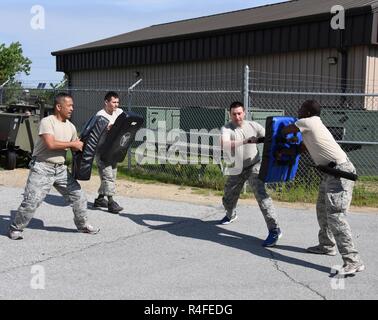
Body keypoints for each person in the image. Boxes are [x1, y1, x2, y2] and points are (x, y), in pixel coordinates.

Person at [280, 100, 365, 276]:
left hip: (340, 172)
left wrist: (277, 137)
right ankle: (326, 245)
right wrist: (289, 151)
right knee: (322, 208)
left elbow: (284, 130)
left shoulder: (307, 122)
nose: (298, 109)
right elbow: (303, 148)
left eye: (301, 107)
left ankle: (353, 260)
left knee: (336, 216)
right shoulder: (312, 126)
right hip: (330, 173)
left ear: (308, 111)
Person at [8, 93, 100, 240]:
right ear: (59, 106)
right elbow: (51, 144)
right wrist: (73, 144)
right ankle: (16, 228)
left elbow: (75, 148)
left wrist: (89, 141)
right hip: (42, 167)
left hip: (61, 169)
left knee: (79, 196)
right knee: (32, 200)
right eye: (69, 106)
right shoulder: (47, 122)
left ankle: (83, 225)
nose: (72, 109)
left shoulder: (71, 126)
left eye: (73, 106)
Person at [220, 101, 282, 247]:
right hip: (237, 168)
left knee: (262, 196)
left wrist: (259, 140)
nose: (237, 117)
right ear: (230, 114)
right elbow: (225, 144)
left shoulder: (253, 126)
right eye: (234, 114)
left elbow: (270, 138)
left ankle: (274, 229)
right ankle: (231, 214)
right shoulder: (227, 128)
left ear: (244, 113)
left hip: (254, 166)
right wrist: (246, 141)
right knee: (228, 196)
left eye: (239, 113)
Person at [93, 91, 124, 214]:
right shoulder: (100, 115)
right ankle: (111, 202)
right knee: (107, 176)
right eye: (113, 102)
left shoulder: (119, 112)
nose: (116, 105)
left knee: (113, 175)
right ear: (106, 102)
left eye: (117, 102)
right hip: (102, 151)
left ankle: (100, 199)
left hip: (114, 149)